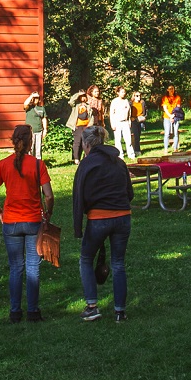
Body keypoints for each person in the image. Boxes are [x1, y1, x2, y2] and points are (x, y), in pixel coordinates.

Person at [0, 124, 54, 323]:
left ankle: (15, 311)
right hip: (33, 220)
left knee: (16, 267)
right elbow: (48, 195)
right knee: (33, 267)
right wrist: (48, 213)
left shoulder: (3, 164)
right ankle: (33, 311)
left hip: (11, 221)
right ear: (30, 142)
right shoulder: (37, 164)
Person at [73, 127, 135, 322]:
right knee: (118, 263)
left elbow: (78, 196)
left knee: (85, 258)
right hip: (123, 216)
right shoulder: (118, 162)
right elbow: (129, 193)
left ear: (87, 144)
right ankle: (120, 311)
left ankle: (92, 306)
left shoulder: (86, 164)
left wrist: (78, 226)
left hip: (99, 217)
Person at [108, 87, 134, 160]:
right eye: (122, 92)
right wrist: (112, 124)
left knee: (128, 139)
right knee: (118, 139)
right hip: (117, 122)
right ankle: (120, 155)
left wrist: (129, 121)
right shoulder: (114, 101)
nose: (123, 93)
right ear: (118, 93)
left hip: (125, 122)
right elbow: (112, 113)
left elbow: (129, 112)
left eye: (124, 92)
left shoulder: (126, 101)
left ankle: (131, 154)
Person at [67, 91, 92, 162]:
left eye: (84, 96)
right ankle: (76, 158)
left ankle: (86, 157)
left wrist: (89, 125)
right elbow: (71, 101)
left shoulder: (88, 106)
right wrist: (78, 94)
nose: (83, 98)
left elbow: (91, 117)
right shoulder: (76, 105)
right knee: (77, 142)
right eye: (81, 97)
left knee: (86, 142)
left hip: (86, 126)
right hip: (77, 126)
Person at [24, 92, 48, 160]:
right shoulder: (28, 108)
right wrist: (31, 96)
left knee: (38, 148)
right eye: (34, 98)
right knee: (30, 148)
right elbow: (25, 103)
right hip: (30, 131)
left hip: (39, 131)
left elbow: (44, 119)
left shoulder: (41, 108)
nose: (35, 99)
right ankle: (30, 161)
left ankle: (38, 162)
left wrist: (45, 129)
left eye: (37, 98)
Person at [161, 86, 182, 152]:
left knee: (175, 133)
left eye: (172, 89)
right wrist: (170, 116)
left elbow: (178, 108)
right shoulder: (165, 98)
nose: (171, 90)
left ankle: (175, 148)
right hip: (167, 117)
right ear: (167, 90)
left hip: (175, 117)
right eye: (169, 89)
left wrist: (174, 116)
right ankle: (166, 149)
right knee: (167, 133)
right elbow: (165, 108)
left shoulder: (177, 97)